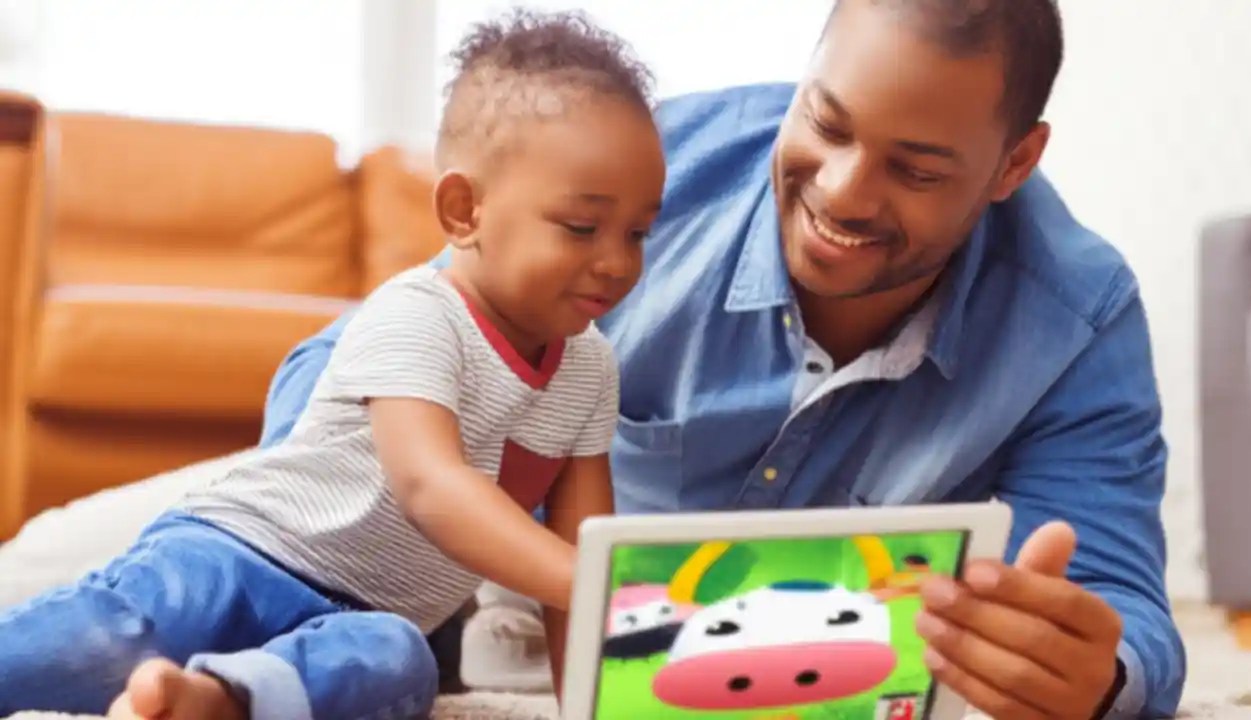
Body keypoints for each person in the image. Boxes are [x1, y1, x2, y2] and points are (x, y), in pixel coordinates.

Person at [263, 1, 1190, 718]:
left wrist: (1097, 679)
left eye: (915, 170)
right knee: (147, 585)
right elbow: (339, 366)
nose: (841, 192)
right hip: (397, 565)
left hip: (773, 667)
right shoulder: (637, 180)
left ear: (1012, 164)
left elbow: (1128, 616)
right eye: (827, 124)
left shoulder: (1078, 317)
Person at [0, 10, 665, 720]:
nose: (618, 262)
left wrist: (593, 701)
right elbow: (432, 487)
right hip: (241, 555)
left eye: (638, 232)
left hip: (364, 613)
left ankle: (219, 699)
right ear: (464, 210)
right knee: (116, 637)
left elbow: (590, 553)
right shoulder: (418, 314)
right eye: (582, 227)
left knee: (398, 666)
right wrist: (594, 578)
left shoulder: (591, 371)